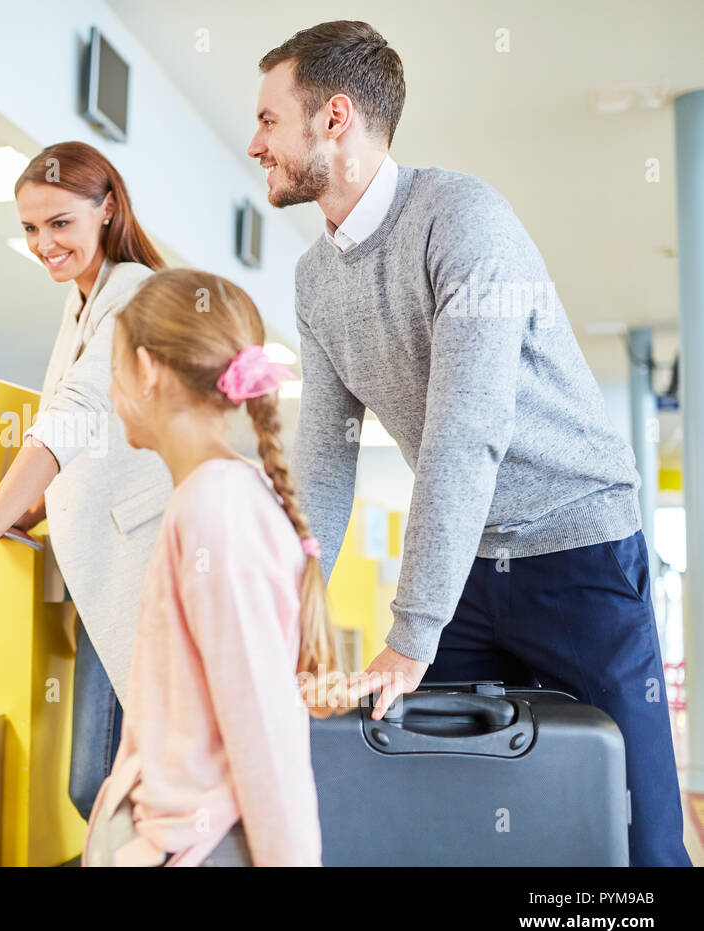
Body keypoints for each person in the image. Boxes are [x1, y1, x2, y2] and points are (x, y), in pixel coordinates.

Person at [249, 20, 691, 866]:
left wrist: (411, 633)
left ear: (333, 118)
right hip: (468, 574)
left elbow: (466, 435)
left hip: (581, 555)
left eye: (270, 120)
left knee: (635, 827)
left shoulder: (463, 220)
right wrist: (287, 604)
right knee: (443, 798)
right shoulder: (314, 282)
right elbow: (326, 457)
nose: (254, 142)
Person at [83, 268, 337, 867]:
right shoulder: (212, 497)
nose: (112, 392)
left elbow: (265, 729)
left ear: (146, 371)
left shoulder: (216, 507)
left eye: (113, 370)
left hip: (201, 846)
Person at [0, 141, 172, 822]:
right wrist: (27, 511)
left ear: (106, 209)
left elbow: (73, 418)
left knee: (109, 783)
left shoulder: (136, 292)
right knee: (106, 784)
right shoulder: (82, 301)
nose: (42, 243)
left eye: (60, 223)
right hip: (97, 571)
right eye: (30, 228)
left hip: (140, 573)